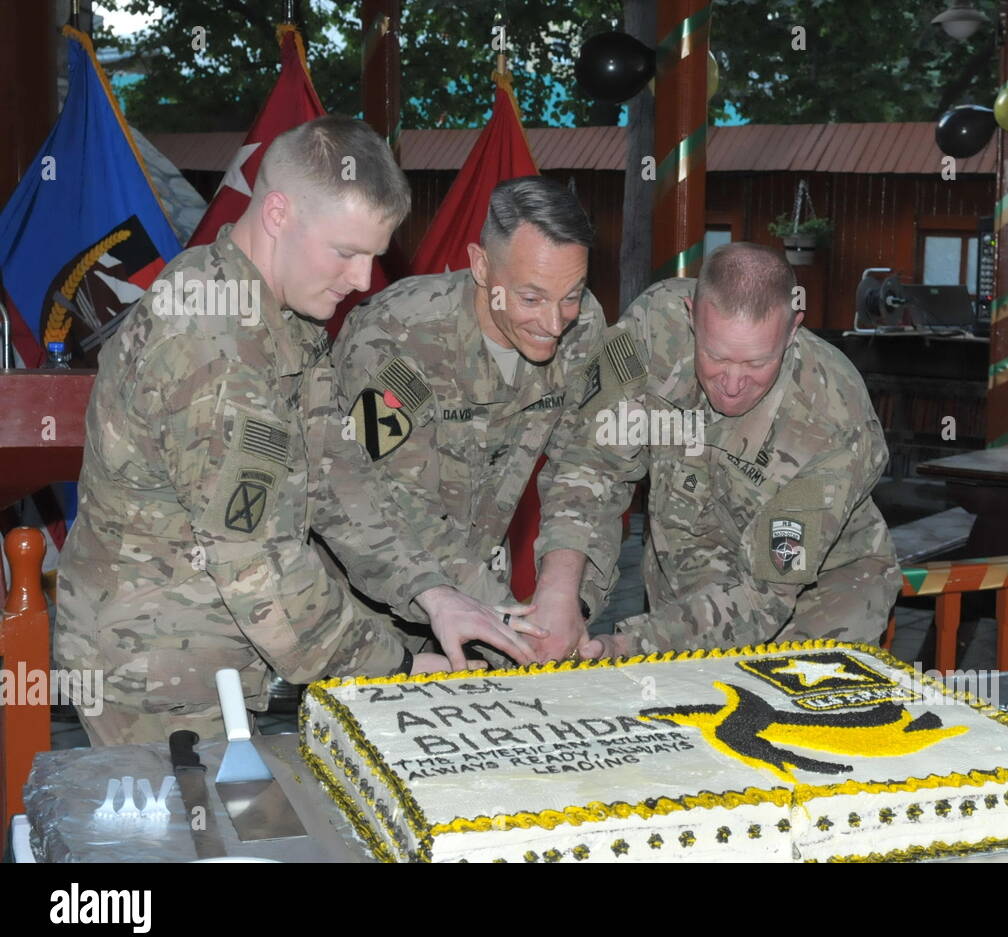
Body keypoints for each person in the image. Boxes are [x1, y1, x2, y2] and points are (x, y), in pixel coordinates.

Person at [54, 116, 519, 747]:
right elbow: (260, 570)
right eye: (347, 252)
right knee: (204, 840)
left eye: (373, 258)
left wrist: (430, 591)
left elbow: (340, 481)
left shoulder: (279, 313)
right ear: (277, 212)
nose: (362, 281)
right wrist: (399, 668)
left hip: (226, 644)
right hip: (157, 668)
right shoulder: (215, 348)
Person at [537, 241, 901, 659]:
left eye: (755, 364)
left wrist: (627, 646)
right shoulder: (654, 328)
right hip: (686, 571)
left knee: (790, 713)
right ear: (692, 316)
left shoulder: (835, 422)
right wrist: (563, 596)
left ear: (793, 328)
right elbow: (592, 465)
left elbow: (765, 593)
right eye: (715, 356)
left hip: (819, 596)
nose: (731, 383)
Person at [332, 176, 615, 668]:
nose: (555, 322)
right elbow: (389, 499)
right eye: (531, 298)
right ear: (481, 266)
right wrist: (519, 627)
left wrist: (562, 590)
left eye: (571, 293)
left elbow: (585, 464)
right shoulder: (397, 336)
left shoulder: (584, 324)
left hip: (484, 594)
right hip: (371, 613)